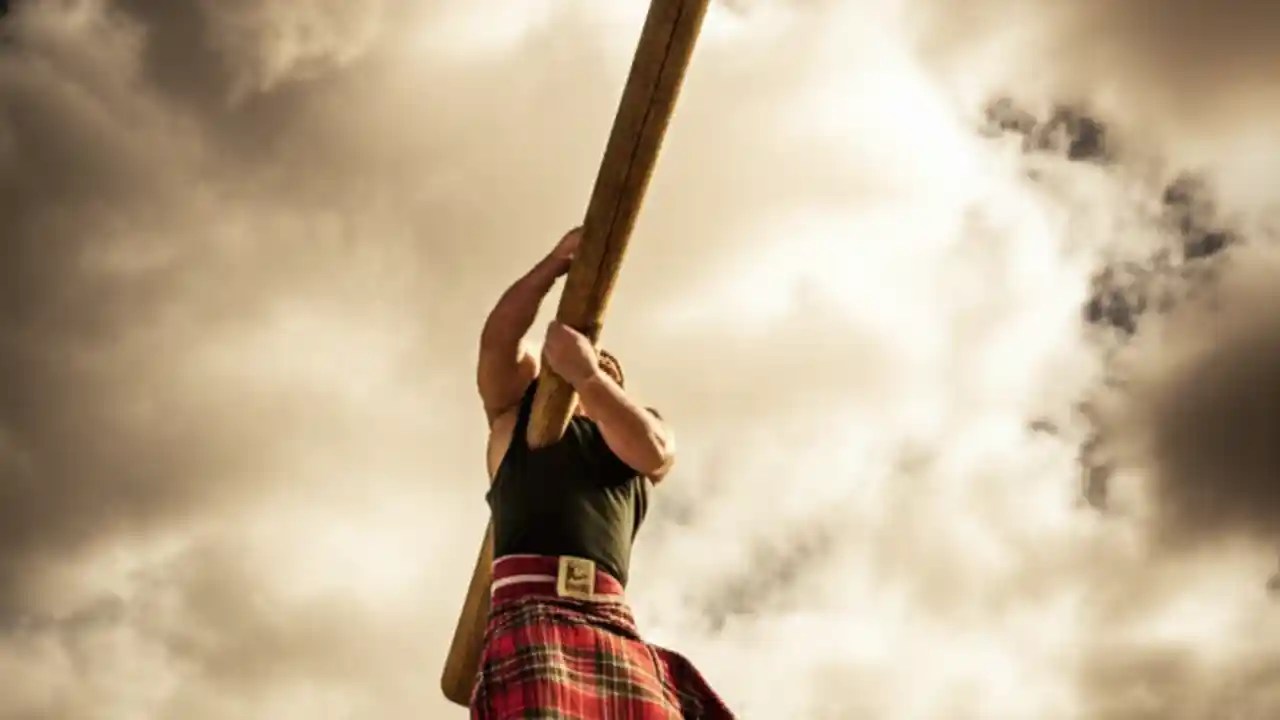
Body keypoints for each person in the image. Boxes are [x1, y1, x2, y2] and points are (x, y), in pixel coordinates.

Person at [470, 227, 734, 718]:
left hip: (612, 620)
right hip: (532, 614)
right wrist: (553, 264)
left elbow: (654, 450)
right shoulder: (512, 415)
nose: (600, 367)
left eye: (611, 371)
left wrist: (587, 376)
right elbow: (498, 338)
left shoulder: (641, 436)